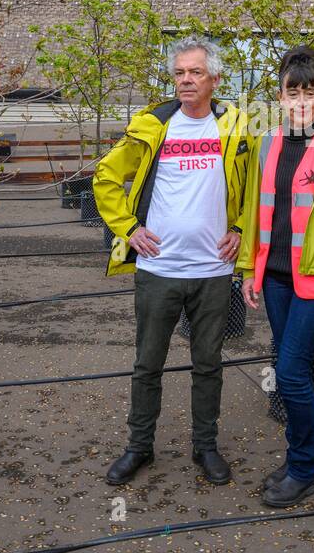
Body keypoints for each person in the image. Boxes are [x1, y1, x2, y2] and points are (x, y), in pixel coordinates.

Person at [93, 36, 249, 486]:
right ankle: (138, 447)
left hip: (213, 272)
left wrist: (239, 228)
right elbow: (106, 175)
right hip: (158, 270)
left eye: (195, 72)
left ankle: (206, 447)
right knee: (148, 364)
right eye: (180, 72)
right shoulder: (153, 127)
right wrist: (127, 228)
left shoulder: (235, 127)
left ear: (215, 79)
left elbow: (254, 186)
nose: (186, 80)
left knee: (209, 364)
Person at [236, 45, 314, 507]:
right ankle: (296, 460)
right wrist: (250, 268)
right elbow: (255, 209)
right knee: (290, 365)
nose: (302, 101)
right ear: (281, 95)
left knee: (290, 371)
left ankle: (304, 469)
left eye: (311, 92)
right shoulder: (268, 143)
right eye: (294, 93)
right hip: (274, 277)